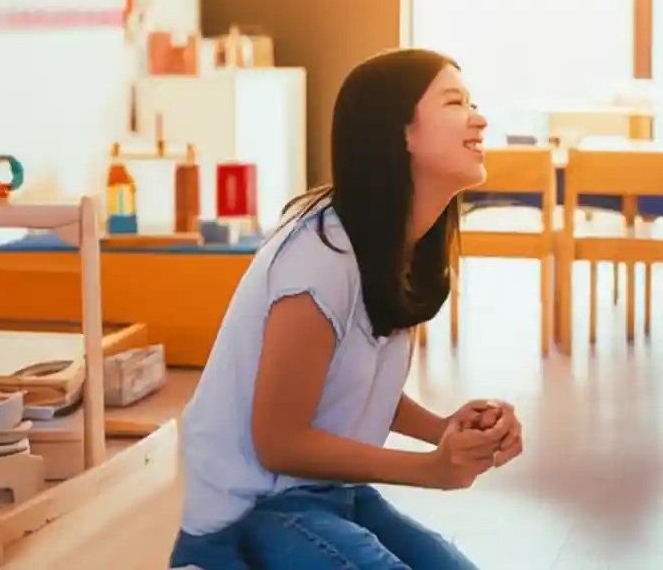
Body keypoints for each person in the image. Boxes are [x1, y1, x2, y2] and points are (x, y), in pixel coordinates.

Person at [169, 48, 523, 569]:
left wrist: (444, 429)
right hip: (251, 514)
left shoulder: (394, 245)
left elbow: (346, 380)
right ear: (401, 132)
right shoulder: (318, 259)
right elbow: (279, 443)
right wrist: (430, 468)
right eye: (455, 103)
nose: (479, 118)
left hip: (329, 494)